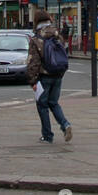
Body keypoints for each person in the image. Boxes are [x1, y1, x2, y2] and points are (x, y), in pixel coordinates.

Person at [26, 9, 72, 144]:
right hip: (58, 74)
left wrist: (32, 81)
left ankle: (47, 135)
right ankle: (65, 124)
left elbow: (33, 62)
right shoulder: (57, 35)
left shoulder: (36, 38)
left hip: (44, 76)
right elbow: (64, 54)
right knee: (54, 102)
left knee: (42, 105)